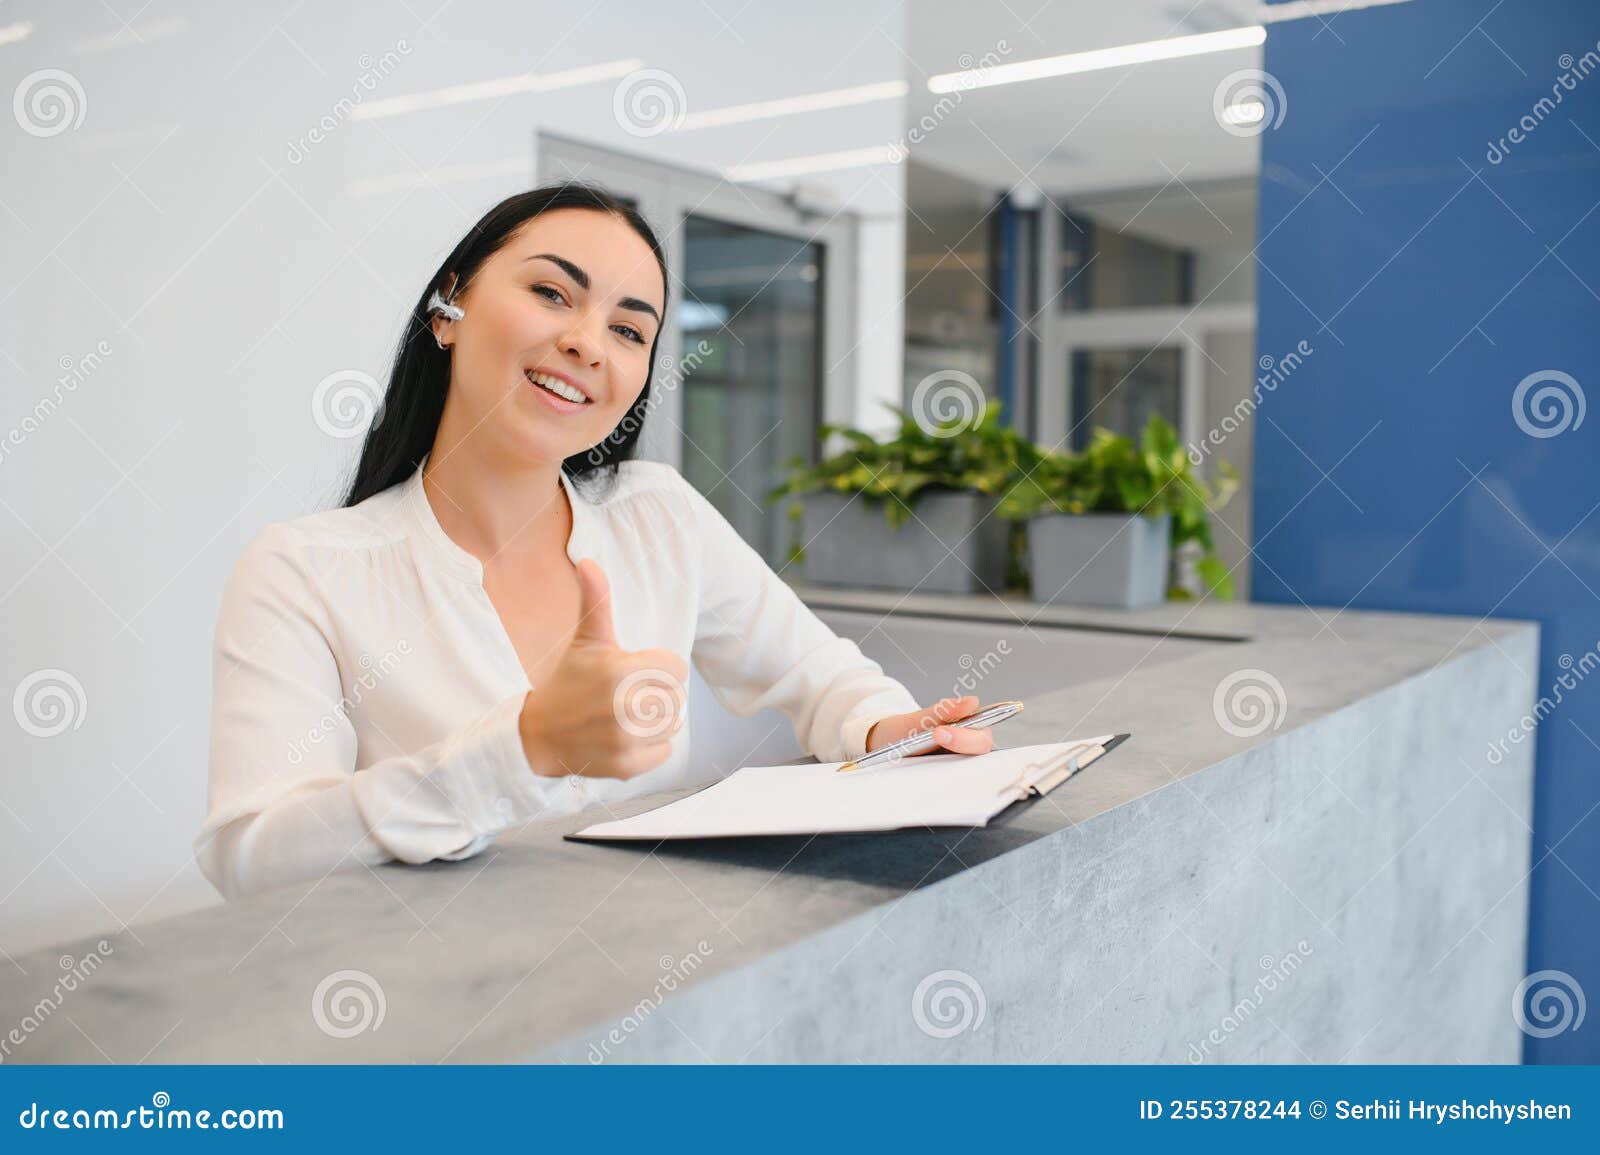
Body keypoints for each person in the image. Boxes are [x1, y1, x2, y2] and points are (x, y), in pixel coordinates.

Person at [195, 182, 993, 900]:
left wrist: (892, 733)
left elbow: (823, 680)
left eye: (629, 330)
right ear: (448, 309)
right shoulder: (304, 569)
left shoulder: (658, 516)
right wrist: (522, 748)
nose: (589, 343)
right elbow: (252, 855)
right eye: (551, 292)